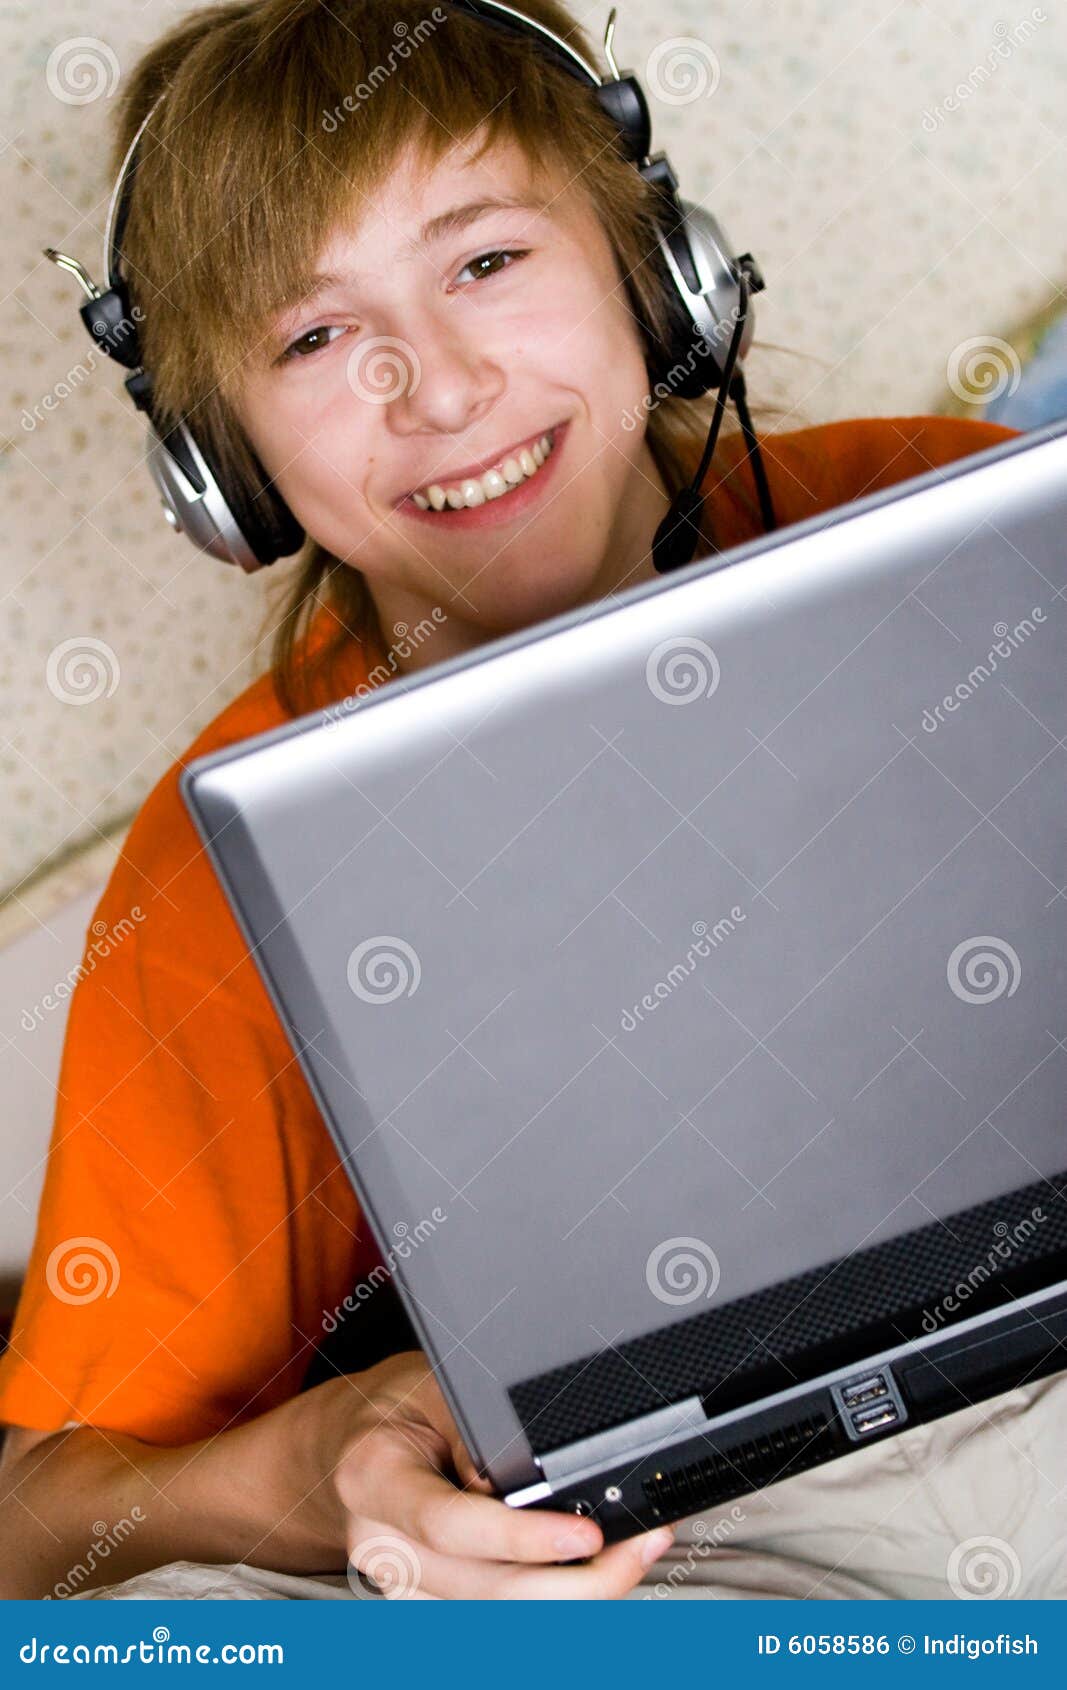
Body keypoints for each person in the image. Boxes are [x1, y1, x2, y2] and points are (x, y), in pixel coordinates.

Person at [2, 0, 1060, 1601]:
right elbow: (38, 1522)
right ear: (224, 469)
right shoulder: (219, 864)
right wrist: (322, 1464)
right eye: (310, 340)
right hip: (696, 1549)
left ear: (657, 273)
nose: (438, 387)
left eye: (486, 261)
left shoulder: (957, 505)